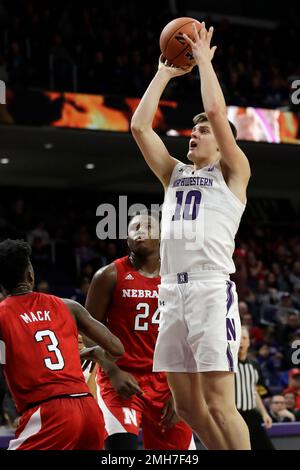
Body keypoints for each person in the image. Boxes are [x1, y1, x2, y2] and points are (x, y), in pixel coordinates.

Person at [131, 22, 251, 450]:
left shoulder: (233, 173)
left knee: (220, 405)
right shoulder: (174, 175)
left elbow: (218, 114)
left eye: (202, 132)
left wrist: (202, 60)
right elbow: (140, 129)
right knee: (188, 408)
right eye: (193, 131)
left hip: (208, 290)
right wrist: (164, 72)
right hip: (171, 292)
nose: (194, 134)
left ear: (222, 145)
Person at [0, 239, 124, 450]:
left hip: (49, 414)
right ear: (30, 274)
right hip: (89, 410)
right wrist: (86, 354)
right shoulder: (68, 306)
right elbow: (116, 348)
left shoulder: (2, 315)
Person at [85, 214, 194, 450]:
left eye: (148, 226)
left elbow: (190, 338)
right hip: (121, 381)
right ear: (127, 239)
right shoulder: (108, 275)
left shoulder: (179, 279)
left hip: (168, 384)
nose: (140, 231)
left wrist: (181, 392)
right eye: (134, 227)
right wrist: (112, 371)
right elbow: (86, 333)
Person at [236, 327, 275, 450]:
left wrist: (264, 413)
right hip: (235, 415)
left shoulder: (254, 365)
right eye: (238, 338)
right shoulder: (226, 365)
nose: (241, 341)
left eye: (244, 338)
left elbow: (253, 390)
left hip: (252, 415)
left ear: (249, 342)